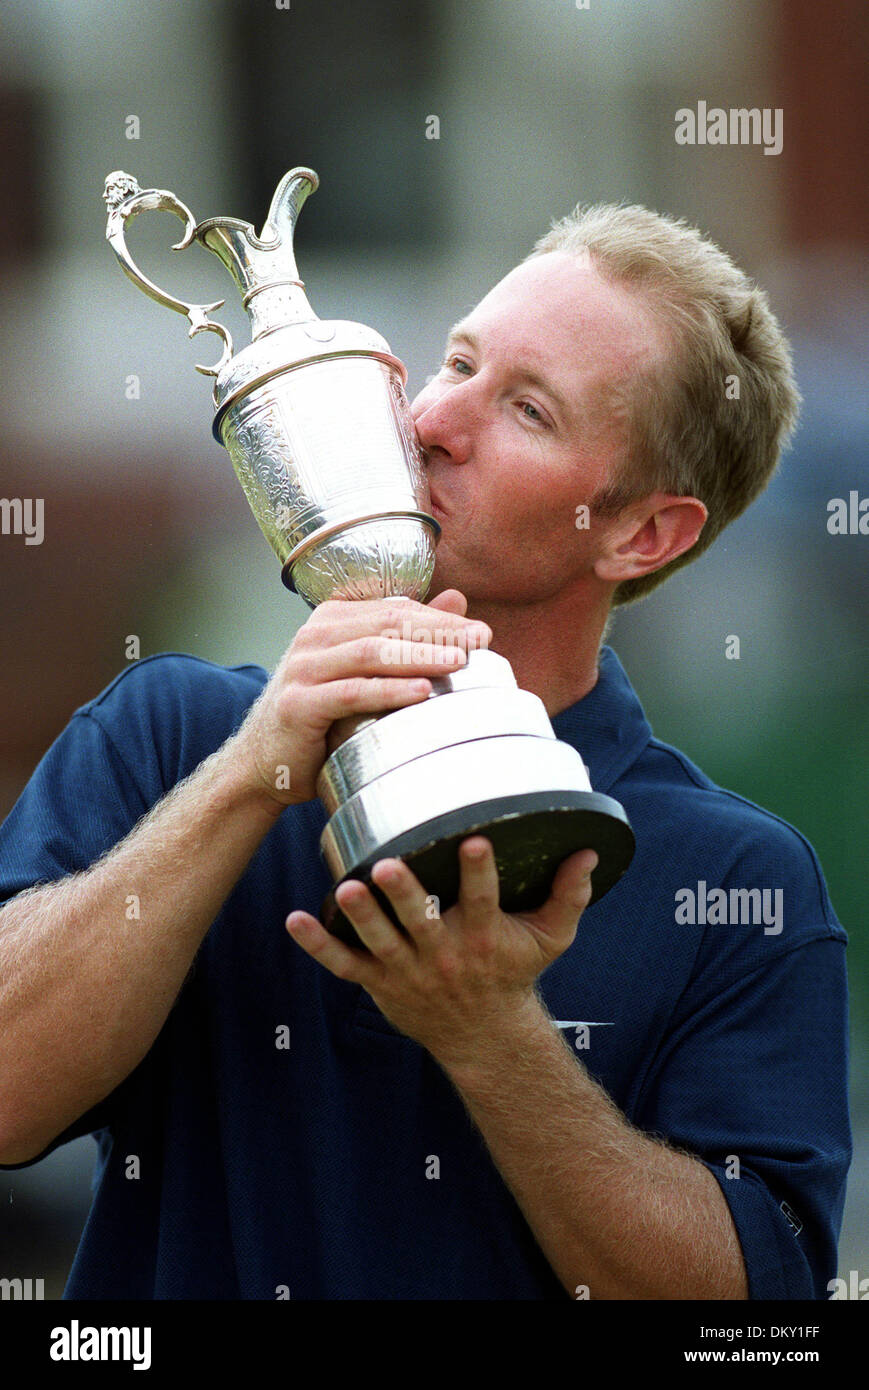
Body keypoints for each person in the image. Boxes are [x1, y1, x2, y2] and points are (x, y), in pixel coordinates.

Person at [0, 203, 850, 1301]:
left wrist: (493, 1039)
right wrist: (243, 780)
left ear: (642, 532)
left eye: (526, 409)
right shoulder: (169, 732)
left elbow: (746, 1316)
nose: (435, 417)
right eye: (456, 360)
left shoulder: (740, 880)